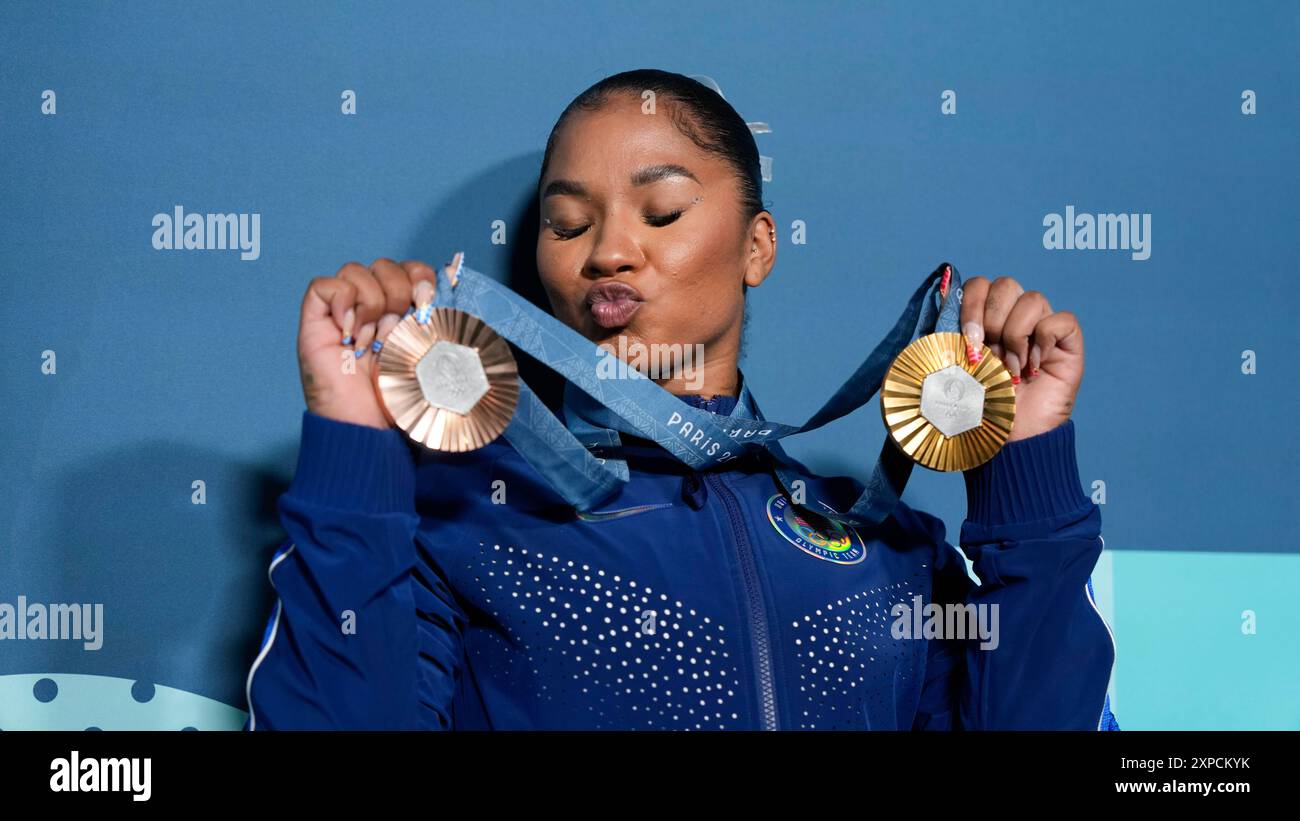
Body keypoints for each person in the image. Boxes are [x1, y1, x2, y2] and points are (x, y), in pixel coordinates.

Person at [243, 68, 1119, 731]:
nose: (609, 252)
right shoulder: (465, 520)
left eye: (661, 212)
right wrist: (355, 448)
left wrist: (1024, 475)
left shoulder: (887, 549)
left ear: (757, 247)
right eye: (568, 224)